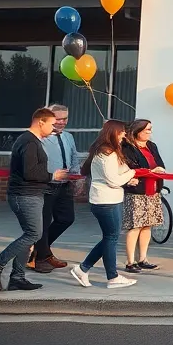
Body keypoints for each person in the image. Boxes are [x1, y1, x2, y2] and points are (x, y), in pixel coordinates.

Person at [0, 108, 70, 291]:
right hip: (24, 195)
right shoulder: (29, 142)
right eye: (52, 124)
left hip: (32, 194)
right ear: (41, 122)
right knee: (33, 234)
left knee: (30, 235)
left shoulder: (33, 141)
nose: (54, 128)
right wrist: (52, 175)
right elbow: (29, 172)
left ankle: (17, 277)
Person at [70, 120, 138, 289]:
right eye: (121, 132)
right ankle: (112, 277)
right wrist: (132, 173)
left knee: (110, 237)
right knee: (111, 237)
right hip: (106, 201)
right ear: (113, 132)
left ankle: (83, 269)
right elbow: (114, 180)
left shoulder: (107, 151)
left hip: (108, 199)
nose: (124, 135)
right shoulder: (107, 153)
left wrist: (129, 176)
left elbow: (118, 173)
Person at [31, 103, 79, 273]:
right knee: (43, 222)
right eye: (58, 119)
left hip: (65, 185)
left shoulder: (68, 137)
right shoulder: (40, 138)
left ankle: (39, 249)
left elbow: (74, 156)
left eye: (65, 118)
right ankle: (41, 257)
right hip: (46, 184)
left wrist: (75, 177)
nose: (62, 122)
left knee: (66, 218)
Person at [120, 119, 167, 273]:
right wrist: (150, 172)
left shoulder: (152, 146)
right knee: (135, 226)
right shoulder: (127, 147)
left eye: (150, 129)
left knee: (147, 224)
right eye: (146, 129)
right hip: (137, 192)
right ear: (137, 131)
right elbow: (132, 168)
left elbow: (160, 163)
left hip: (153, 190)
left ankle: (143, 258)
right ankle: (130, 261)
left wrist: (159, 170)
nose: (149, 132)